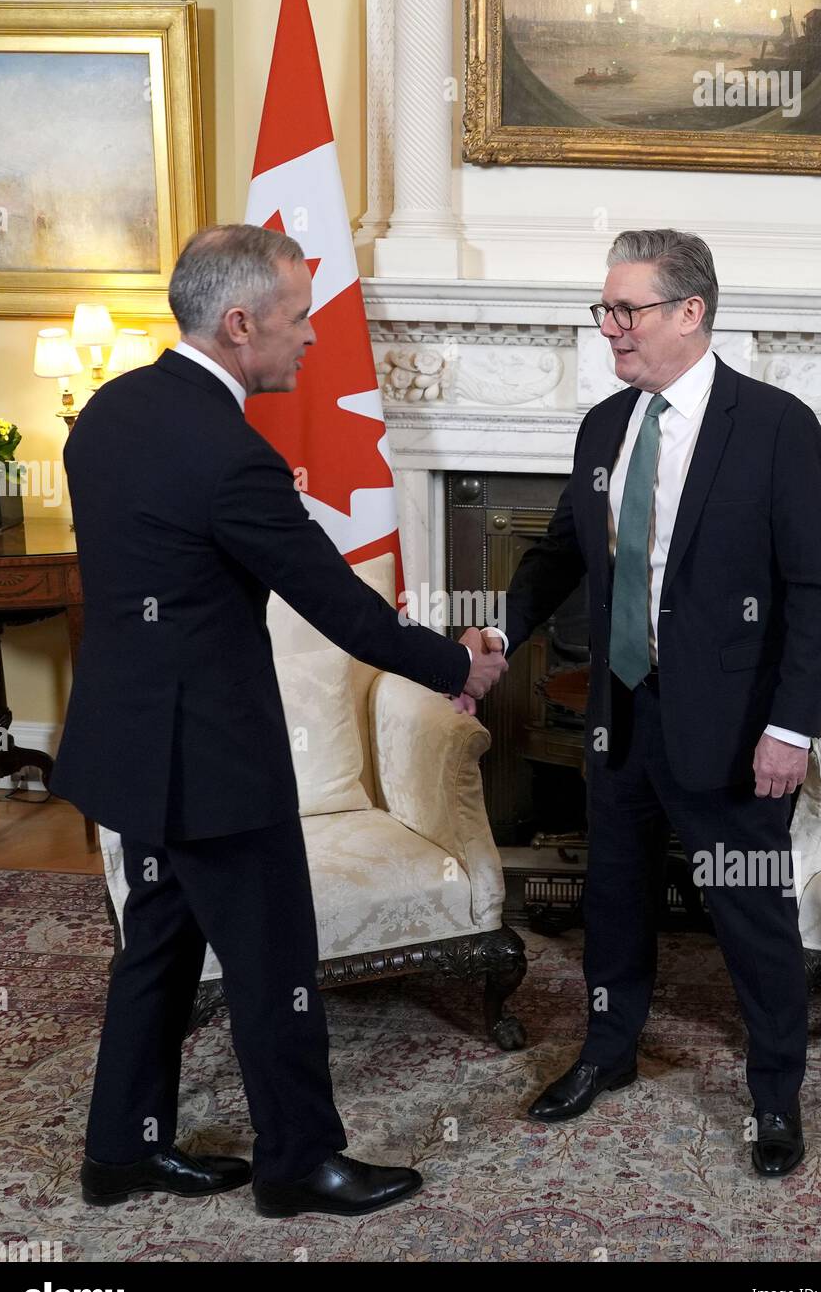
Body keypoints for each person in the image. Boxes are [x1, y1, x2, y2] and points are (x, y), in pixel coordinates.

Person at [51, 223, 507, 1217]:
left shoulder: (108, 415)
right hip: (212, 760)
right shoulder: (229, 454)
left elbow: (158, 570)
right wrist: (459, 662)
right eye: (300, 319)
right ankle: (299, 1163)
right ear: (240, 320)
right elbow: (340, 608)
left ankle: (120, 1152)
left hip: (130, 746)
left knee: (159, 948)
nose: (312, 339)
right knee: (273, 969)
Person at [480, 229, 821, 1177]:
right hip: (619, 716)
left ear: (691, 312)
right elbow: (558, 554)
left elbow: (812, 592)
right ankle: (608, 1051)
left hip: (734, 734)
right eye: (604, 309)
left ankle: (774, 1098)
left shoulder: (774, 425)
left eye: (626, 309)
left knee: (751, 914)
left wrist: (789, 728)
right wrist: (490, 635)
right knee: (615, 895)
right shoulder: (605, 426)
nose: (610, 328)